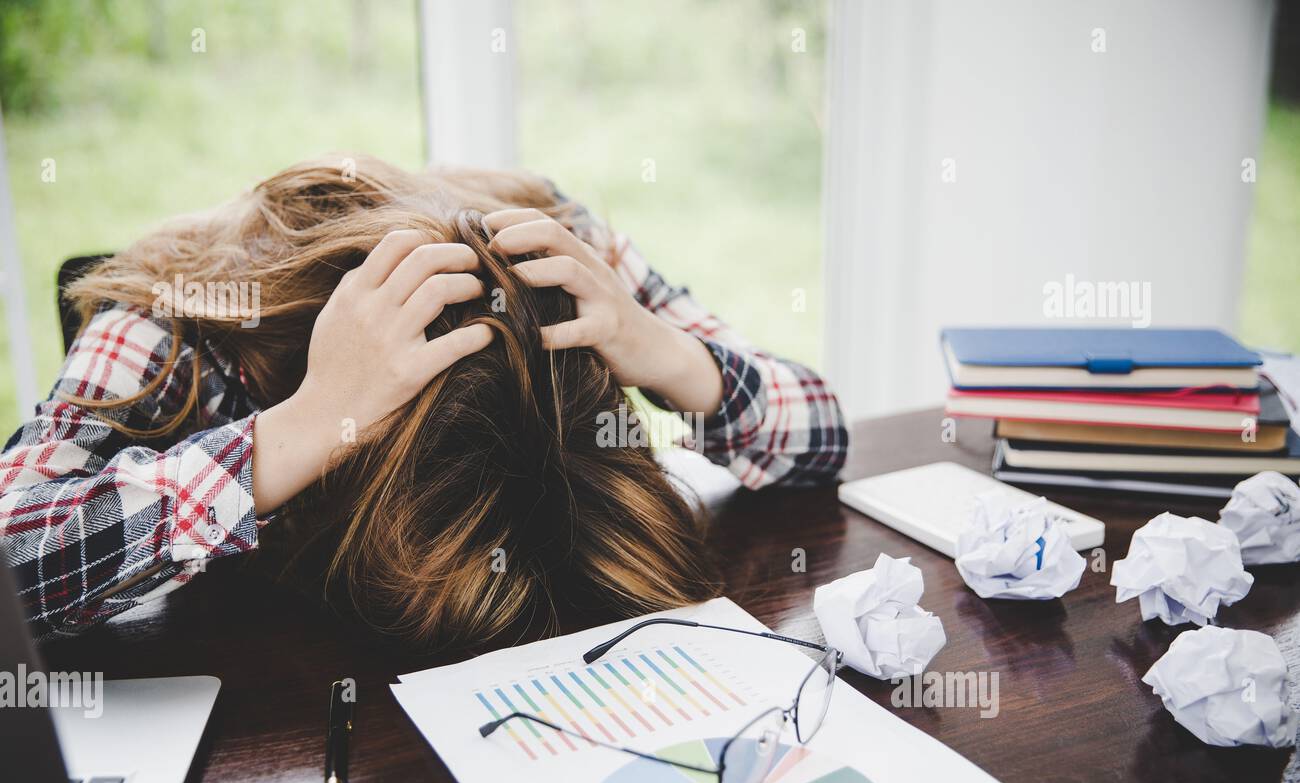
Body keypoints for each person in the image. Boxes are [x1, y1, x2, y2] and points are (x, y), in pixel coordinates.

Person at [0, 156, 847, 645]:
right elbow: (14, 563)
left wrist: (661, 350)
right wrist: (303, 426)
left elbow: (823, 433)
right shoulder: (181, 322)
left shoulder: (559, 252)